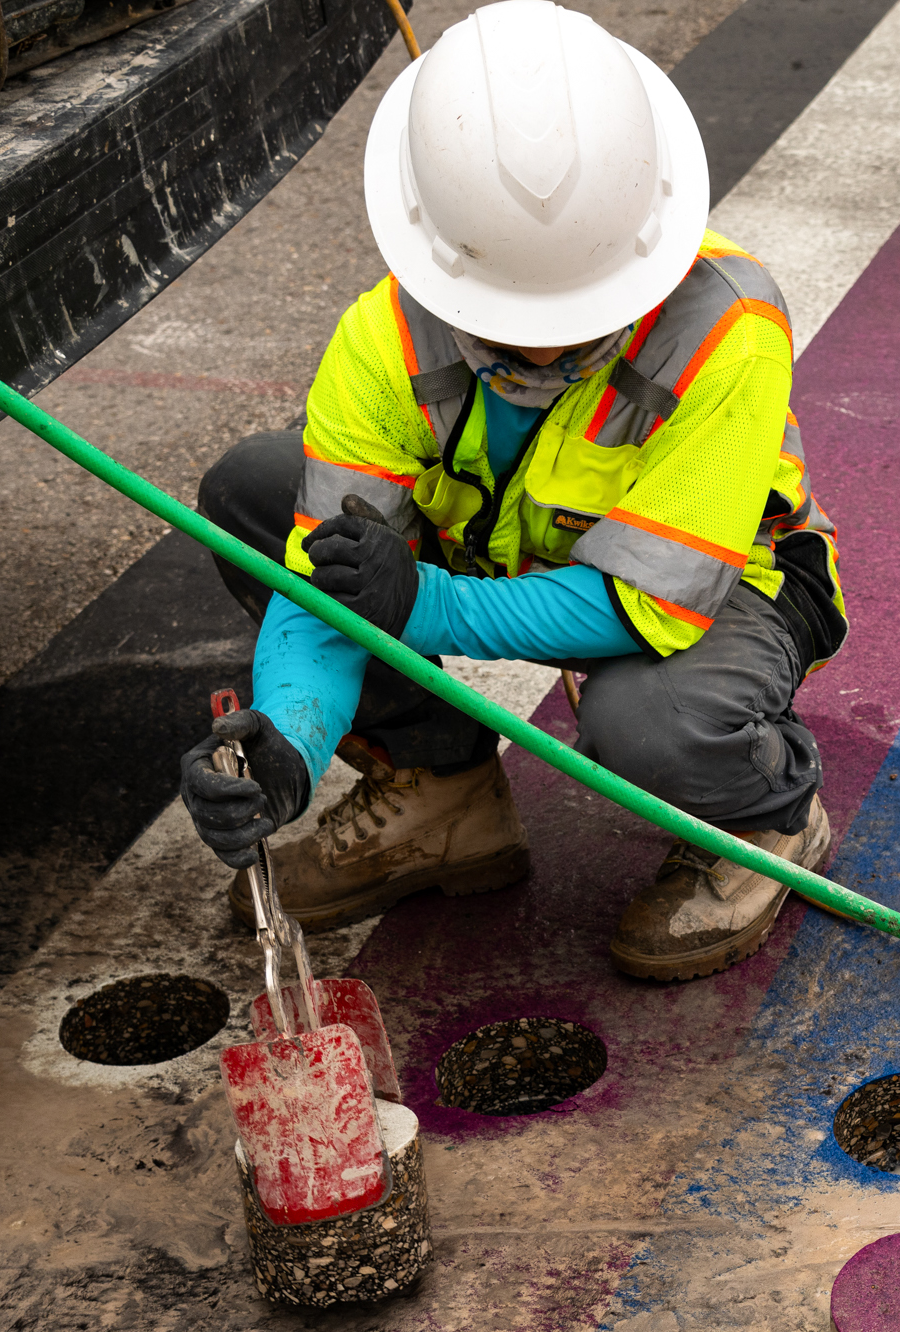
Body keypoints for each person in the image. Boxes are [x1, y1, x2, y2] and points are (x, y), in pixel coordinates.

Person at [177, 0, 847, 981]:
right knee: (259, 495)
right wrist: (288, 748)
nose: (545, 346)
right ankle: (445, 792)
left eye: (581, 312)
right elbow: (322, 600)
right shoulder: (384, 336)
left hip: (719, 583)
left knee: (644, 720)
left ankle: (768, 815)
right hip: (512, 550)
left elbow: (648, 600)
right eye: (510, 318)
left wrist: (427, 600)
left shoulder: (729, 328)